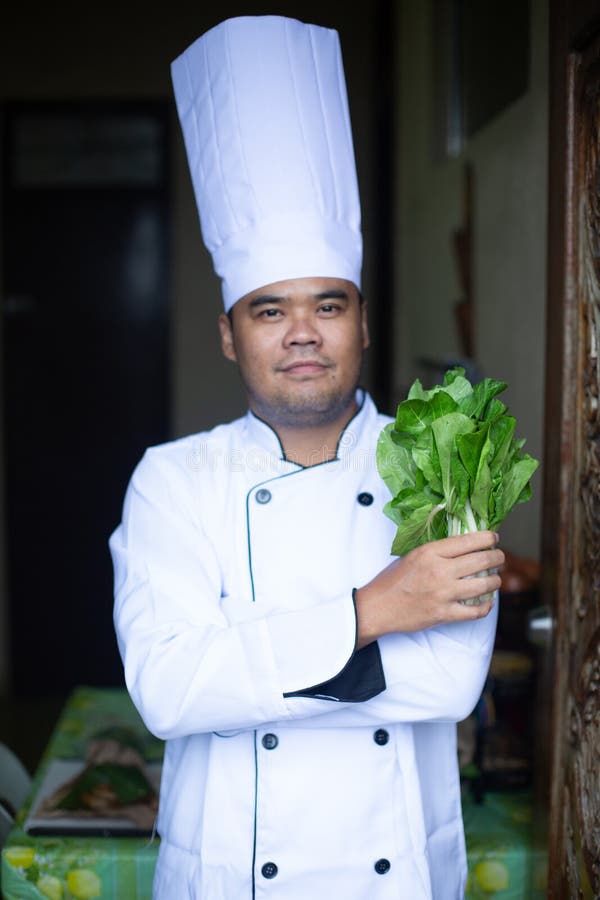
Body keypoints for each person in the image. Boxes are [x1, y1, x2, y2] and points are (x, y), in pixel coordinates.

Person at [110, 15, 503, 899]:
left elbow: (447, 686)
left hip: (393, 875)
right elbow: (171, 695)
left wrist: (242, 658)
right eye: (267, 310)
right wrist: (375, 610)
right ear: (228, 334)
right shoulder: (172, 480)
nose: (300, 335)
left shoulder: (444, 459)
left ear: (362, 323)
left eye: (328, 306)